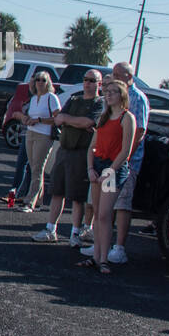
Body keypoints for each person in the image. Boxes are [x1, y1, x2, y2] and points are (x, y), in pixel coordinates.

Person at [34, 70, 105, 244]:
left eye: (92, 80)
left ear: (99, 84)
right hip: (64, 149)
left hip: (82, 152)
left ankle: (75, 233)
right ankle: (51, 229)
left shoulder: (99, 103)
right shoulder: (74, 99)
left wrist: (69, 120)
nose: (87, 83)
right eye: (85, 79)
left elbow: (89, 122)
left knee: (77, 196)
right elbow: (58, 119)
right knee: (57, 191)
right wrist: (73, 120)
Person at [77, 80, 136, 274]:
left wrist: (110, 171)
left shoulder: (127, 118)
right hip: (97, 166)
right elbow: (92, 145)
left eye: (113, 92)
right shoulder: (104, 116)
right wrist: (90, 168)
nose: (108, 95)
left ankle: (103, 259)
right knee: (97, 214)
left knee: (104, 214)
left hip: (112, 169)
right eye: (107, 92)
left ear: (122, 96)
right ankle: (96, 257)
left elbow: (126, 150)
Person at [105, 62, 150, 266]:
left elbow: (139, 132)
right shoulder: (114, 95)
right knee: (106, 204)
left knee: (122, 204)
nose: (113, 77)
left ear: (129, 76)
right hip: (109, 159)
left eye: (117, 74)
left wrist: (124, 157)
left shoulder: (137, 98)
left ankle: (119, 248)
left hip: (127, 162)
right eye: (113, 74)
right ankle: (102, 244)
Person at [20, 72, 61, 213]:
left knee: (37, 168)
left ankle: (30, 201)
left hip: (44, 135)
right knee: (33, 167)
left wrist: (40, 120)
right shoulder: (33, 99)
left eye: (43, 80)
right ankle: (39, 201)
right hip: (30, 132)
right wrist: (26, 119)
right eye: (37, 80)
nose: (40, 82)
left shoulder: (51, 97)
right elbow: (30, 114)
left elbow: (58, 118)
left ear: (48, 82)